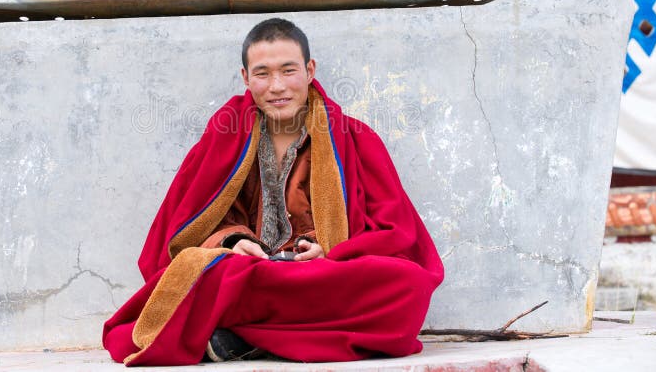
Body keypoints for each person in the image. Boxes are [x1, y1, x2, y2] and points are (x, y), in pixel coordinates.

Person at [102, 18, 444, 366]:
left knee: (408, 284)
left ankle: (238, 337)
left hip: (321, 271)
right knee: (205, 273)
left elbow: (396, 231)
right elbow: (186, 226)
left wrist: (329, 247)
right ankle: (279, 336)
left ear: (310, 70)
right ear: (245, 77)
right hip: (251, 271)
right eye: (262, 74)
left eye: (288, 70)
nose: (277, 86)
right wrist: (235, 242)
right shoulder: (223, 136)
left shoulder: (355, 137)